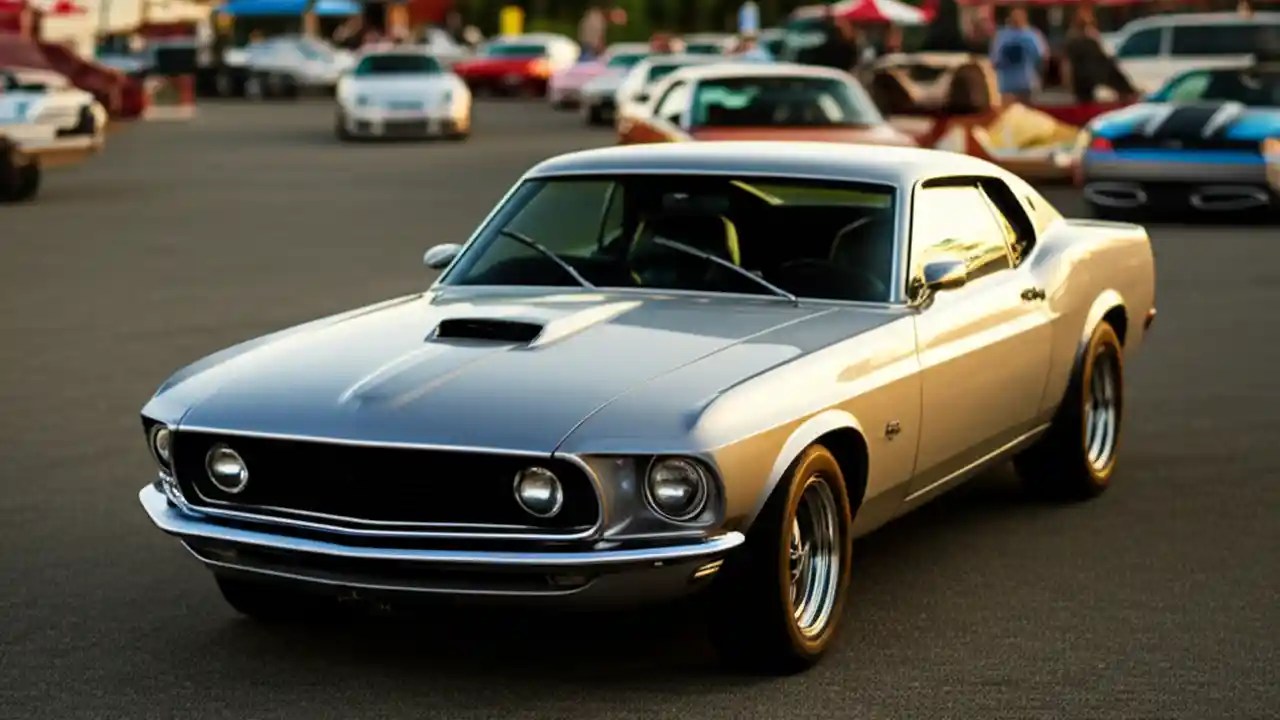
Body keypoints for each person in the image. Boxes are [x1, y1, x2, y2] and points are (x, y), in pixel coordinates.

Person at [1063, 9, 1135, 104]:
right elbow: (1068, 63)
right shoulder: (1083, 40)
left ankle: (1126, 93)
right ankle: (1127, 94)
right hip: (1086, 75)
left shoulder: (1081, 39)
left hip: (1089, 75)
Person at [989, 7, 1046, 103]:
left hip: (1028, 84)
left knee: (1028, 114)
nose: (1017, 19)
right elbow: (994, 61)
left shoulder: (1032, 35)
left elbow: (1043, 57)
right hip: (1008, 86)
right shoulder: (1001, 36)